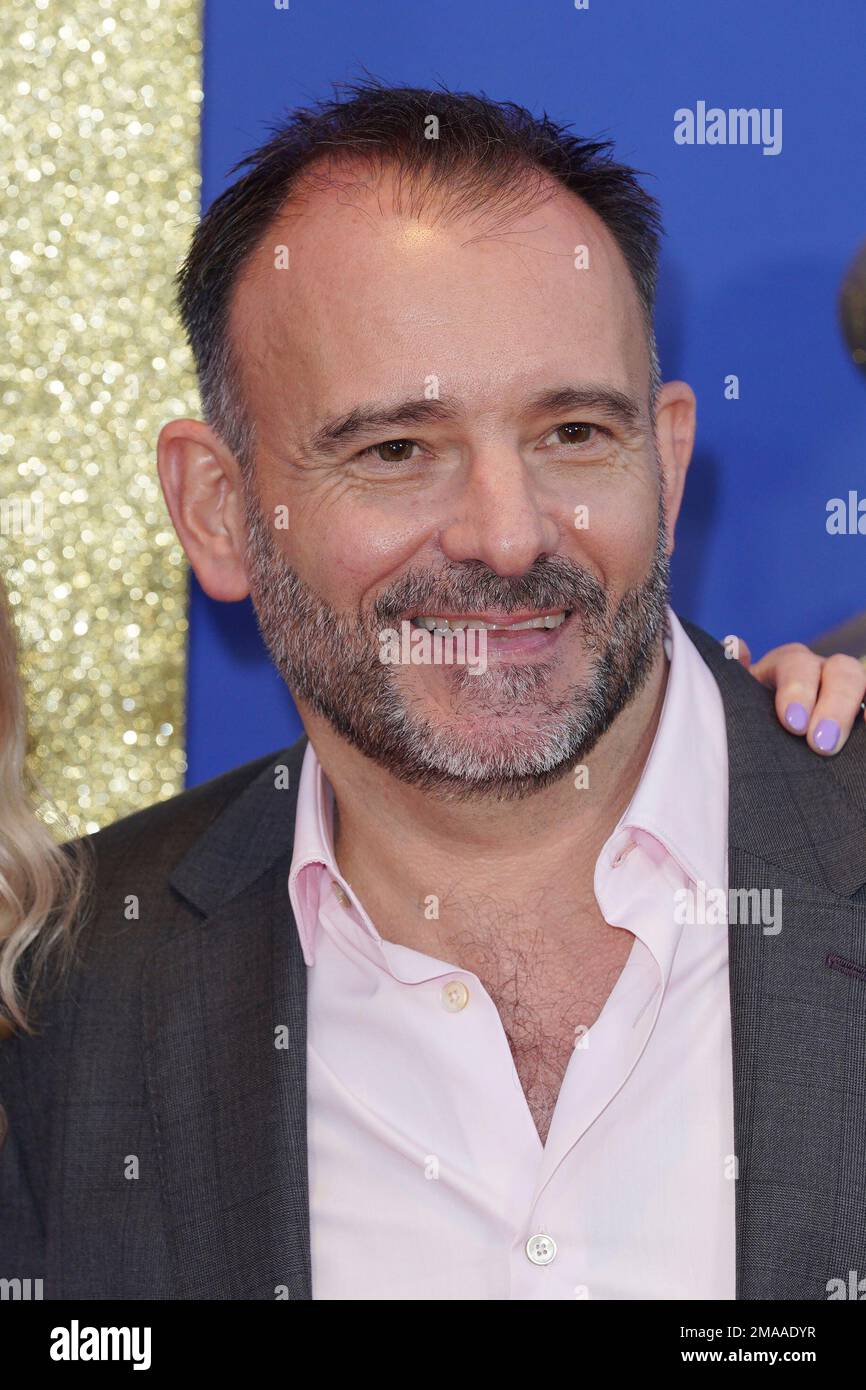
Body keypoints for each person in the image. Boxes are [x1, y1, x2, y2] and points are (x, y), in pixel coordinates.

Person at [2, 80, 866, 1301]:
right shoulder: (63, 1001)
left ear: (665, 465)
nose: (506, 538)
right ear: (218, 509)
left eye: (572, 432)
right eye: (395, 450)